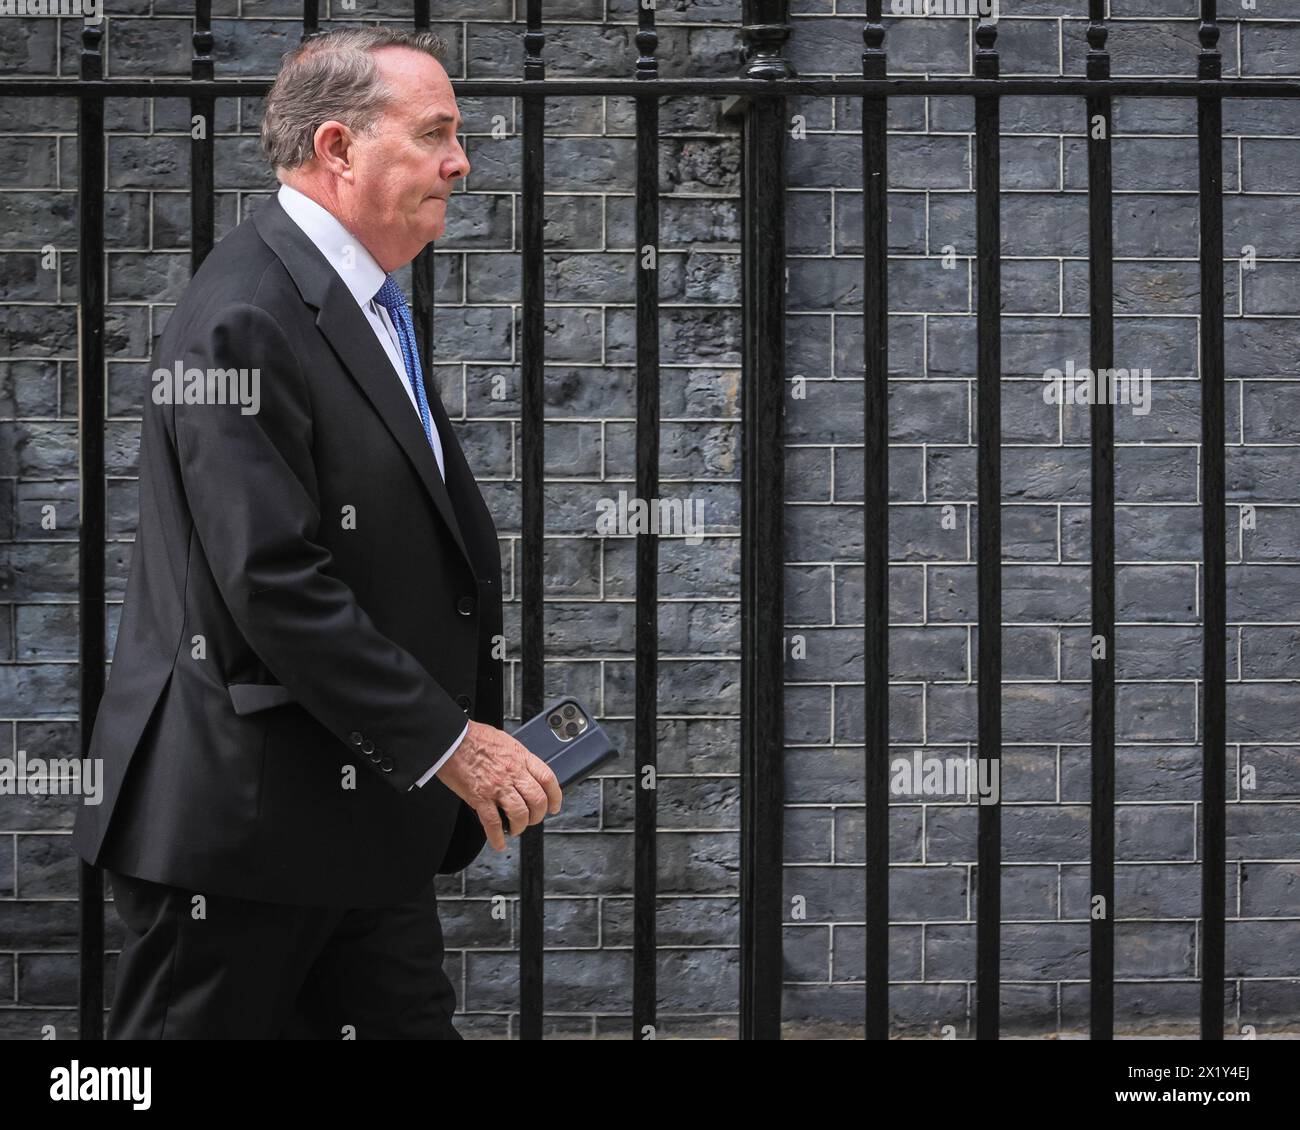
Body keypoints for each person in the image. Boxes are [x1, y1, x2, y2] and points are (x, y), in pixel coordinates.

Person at [70, 26, 562, 1040]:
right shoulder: (245, 312)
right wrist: (444, 740)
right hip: (240, 833)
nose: (459, 161)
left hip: (357, 821)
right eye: (434, 133)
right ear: (338, 147)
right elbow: (274, 575)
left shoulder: (359, 301)